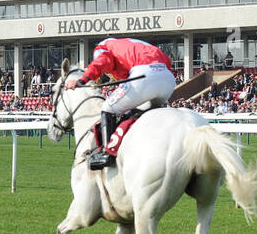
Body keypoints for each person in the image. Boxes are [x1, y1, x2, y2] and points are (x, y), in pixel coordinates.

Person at [66, 37, 177, 169]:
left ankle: (106, 154)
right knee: (141, 111)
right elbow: (167, 61)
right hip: (168, 79)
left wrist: (82, 80)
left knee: (108, 107)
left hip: (144, 76)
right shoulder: (136, 45)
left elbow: (102, 61)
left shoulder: (103, 47)